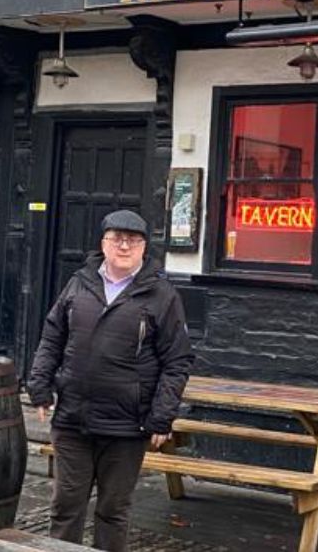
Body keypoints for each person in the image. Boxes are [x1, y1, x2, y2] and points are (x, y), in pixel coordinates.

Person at [27, 209, 194, 552]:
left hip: (126, 426)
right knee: (65, 508)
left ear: (144, 248)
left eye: (133, 240)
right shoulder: (79, 283)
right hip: (73, 418)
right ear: (103, 243)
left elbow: (177, 362)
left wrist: (162, 416)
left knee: (113, 511)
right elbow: (52, 336)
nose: (124, 246)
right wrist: (40, 385)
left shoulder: (162, 296)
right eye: (116, 238)